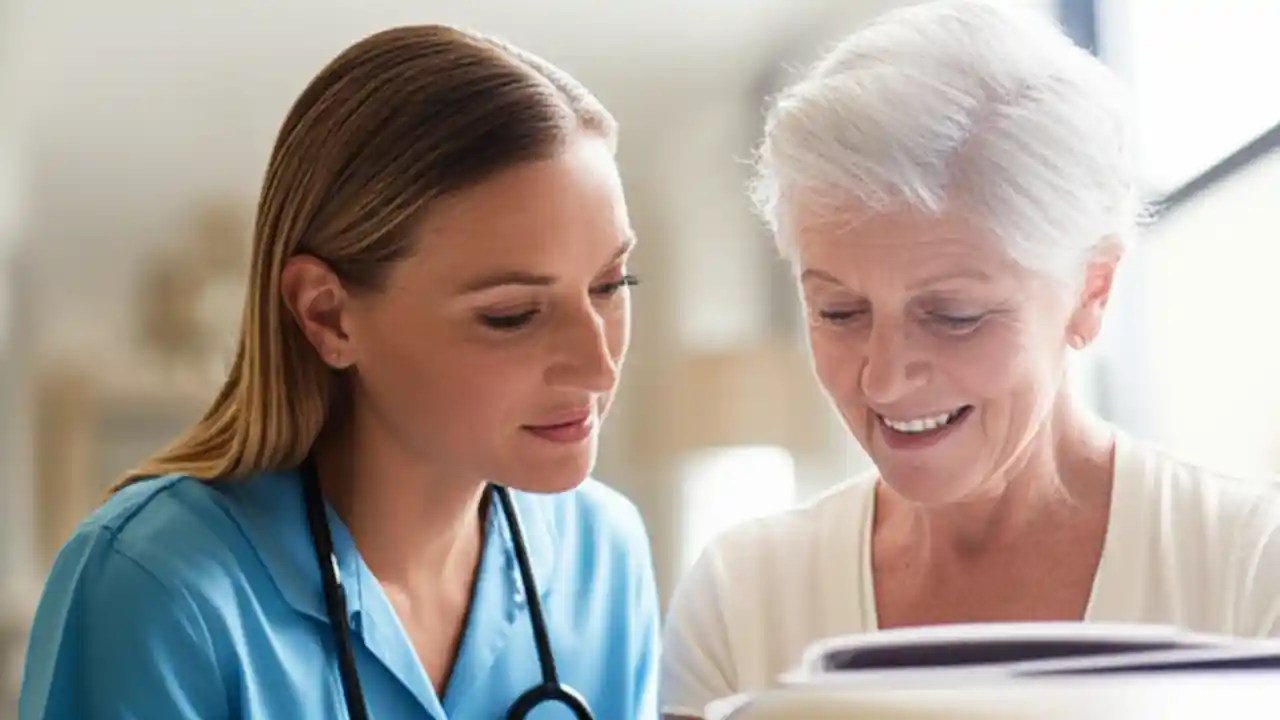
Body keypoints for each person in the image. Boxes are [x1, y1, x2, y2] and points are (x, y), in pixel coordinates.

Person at [659, 1, 1280, 717]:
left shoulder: (1251, 566)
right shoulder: (742, 597)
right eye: (839, 311)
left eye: (954, 317)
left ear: (1092, 292)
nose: (884, 379)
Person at [21, 25, 658, 719]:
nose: (599, 367)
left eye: (611, 285)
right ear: (328, 316)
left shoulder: (603, 558)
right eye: (511, 315)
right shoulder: (157, 585)